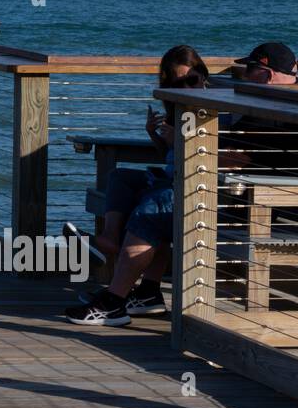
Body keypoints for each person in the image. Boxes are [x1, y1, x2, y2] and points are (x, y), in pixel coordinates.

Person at [70, 45, 210, 260]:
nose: (186, 88)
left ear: (203, 76)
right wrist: (155, 135)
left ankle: (122, 258)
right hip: (170, 175)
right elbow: (169, 156)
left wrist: (181, 142)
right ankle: (110, 239)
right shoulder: (180, 108)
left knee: (151, 201)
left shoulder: (212, 108)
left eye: (191, 81)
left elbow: (204, 160)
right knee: (119, 178)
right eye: (178, 83)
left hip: (187, 183)